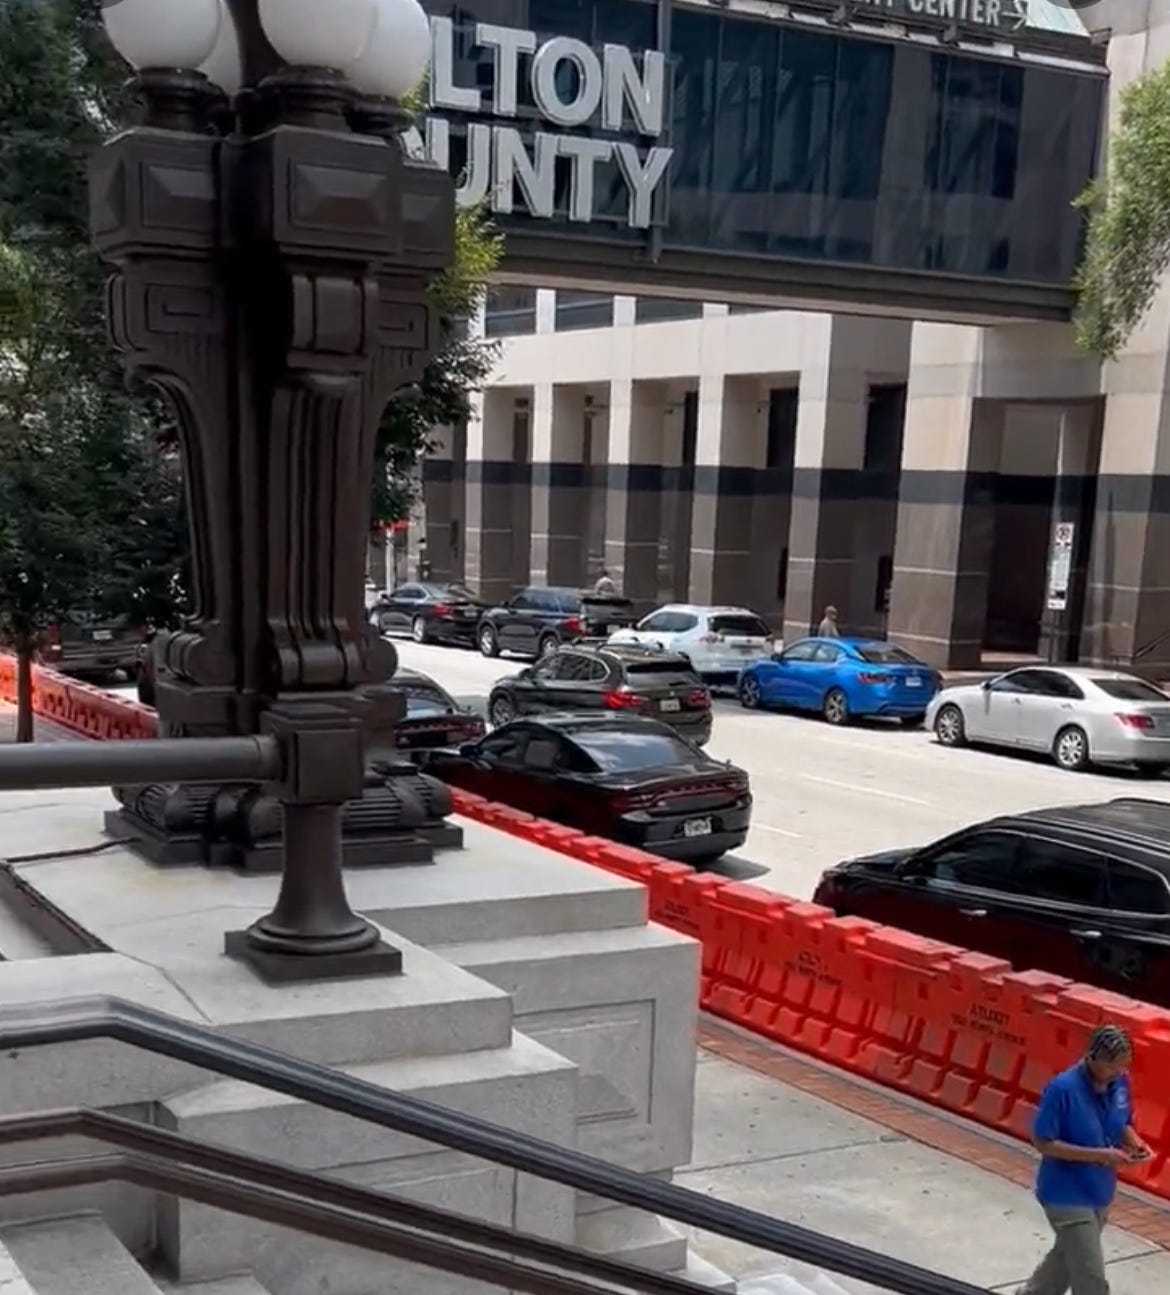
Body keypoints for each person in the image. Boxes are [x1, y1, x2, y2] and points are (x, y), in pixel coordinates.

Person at [1018, 1025, 1151, 1295]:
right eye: (1112, 1066)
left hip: (1099, 1192)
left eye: (1124, 1066)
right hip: (1065, 1194)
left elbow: (1121, 1122)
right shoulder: (1062, 1089)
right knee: (1090, 1275)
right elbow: (1044, 1141)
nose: (1119, 1072)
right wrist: (1100, 1156)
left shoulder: (1120, 1084)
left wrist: (1134, 1142)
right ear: (1093, 1057)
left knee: (1067, 1259)